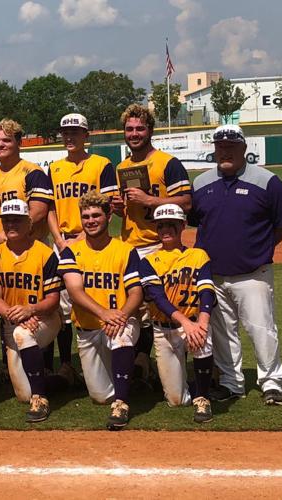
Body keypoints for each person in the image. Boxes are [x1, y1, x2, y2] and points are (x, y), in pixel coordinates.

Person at [189, 125, 282, 405]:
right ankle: (232, 382)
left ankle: (271, 382)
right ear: (215, 149)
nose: (225, 151)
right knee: (222, 333)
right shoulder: (201, 183)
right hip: (213, 274)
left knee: (262, 329)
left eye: (231, 146)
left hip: (252, 272)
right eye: (220, 146)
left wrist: (262, 248)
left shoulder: (267, 181)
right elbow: (198, 221)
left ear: (244, 148)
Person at [101, 104, 193, 387]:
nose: (134, 133)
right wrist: (119, 207)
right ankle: (139, 365)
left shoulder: (168, 163)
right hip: (131, 245)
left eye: (140, 128)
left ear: (150, 130)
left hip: (160, 246)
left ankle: (179, 367)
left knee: (166, 307)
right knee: (135, 309)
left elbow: (187, 202)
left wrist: (151, 201)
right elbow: (130, 209)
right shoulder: (123, 167)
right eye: (129, 129)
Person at [59, 192, 143, 431]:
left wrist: (121, 315)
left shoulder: (126, 250)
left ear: (108, 216)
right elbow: (75, 291)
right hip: (88, 329)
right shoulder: (70, 251)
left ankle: (122, 403)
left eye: (96, 215)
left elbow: (136, 293)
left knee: (122, 334)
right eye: (85, 216)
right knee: (99, 397)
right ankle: (134, 371)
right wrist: (105, 313)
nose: (91, 220)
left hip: (119, 322)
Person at [46, 113, 115, 388]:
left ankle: (105, 361)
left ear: (87, 135)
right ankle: (66, 364)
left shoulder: (101, 164)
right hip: (63, 241)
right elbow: (50, 208)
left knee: (96, 299)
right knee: (62, 308)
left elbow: (107, 209)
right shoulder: (55, 168)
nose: (70, 136)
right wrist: (60, 241)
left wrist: (83, 237)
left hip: (91, 242)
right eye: (66, 132)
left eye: (75, 132)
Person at [0, 199, 62, 423]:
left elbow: (53, 299)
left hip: (45, 318)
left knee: (22, 335)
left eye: (16, 220)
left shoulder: (45, 254)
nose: (11, 225)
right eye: (6, 221)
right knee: (22, 395)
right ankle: (64, 379)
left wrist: (31, 310)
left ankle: (41, 398)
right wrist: (15, 315)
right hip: (13, 320)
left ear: (29, 223)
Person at [139, 204, 217, 423]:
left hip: (193, 322)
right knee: (176, 400)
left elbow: (207, 291)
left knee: (203, 338)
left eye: (171, 224)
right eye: (161, 225)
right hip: (165, 330)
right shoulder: (148, 262)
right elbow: (158, 298)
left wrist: (201, 322)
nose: (165, 229)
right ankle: (200, 378)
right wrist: (186, 323)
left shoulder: (198, 255)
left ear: (182, 225)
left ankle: (203, 396)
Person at [0, 118, 53, 247]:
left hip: (32, 244)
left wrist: (11, 233)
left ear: (19, 142)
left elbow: (39, 211)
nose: (0, 144)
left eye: (6, 140)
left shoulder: (32, 172)